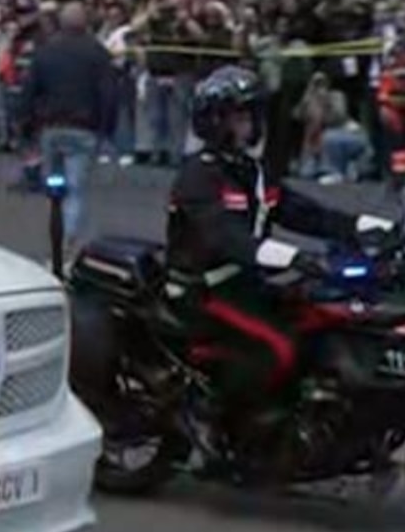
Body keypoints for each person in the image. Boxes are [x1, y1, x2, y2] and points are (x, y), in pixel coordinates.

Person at [166, 65, 391, 459]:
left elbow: (304, 212)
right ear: (216, 122)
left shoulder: (250, 171)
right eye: (241, 116)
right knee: (279, 347)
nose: (252, 125)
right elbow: (226, 238)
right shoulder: (199, 176)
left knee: (321, 321)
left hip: (244, 282)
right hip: (203, 288)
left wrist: (368, 227)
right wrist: (295, 257)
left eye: (252, 115)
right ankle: (211, 415)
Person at [25, 0, 123, 251]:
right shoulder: (97, 53)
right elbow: (108, 94)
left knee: (54, 188)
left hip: (50, 126)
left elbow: (31, 90)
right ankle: (68, 240)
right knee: (76, 190)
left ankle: (55, 233)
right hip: (83, 127)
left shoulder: (45, 51)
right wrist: (107, 129)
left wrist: (27, 128)